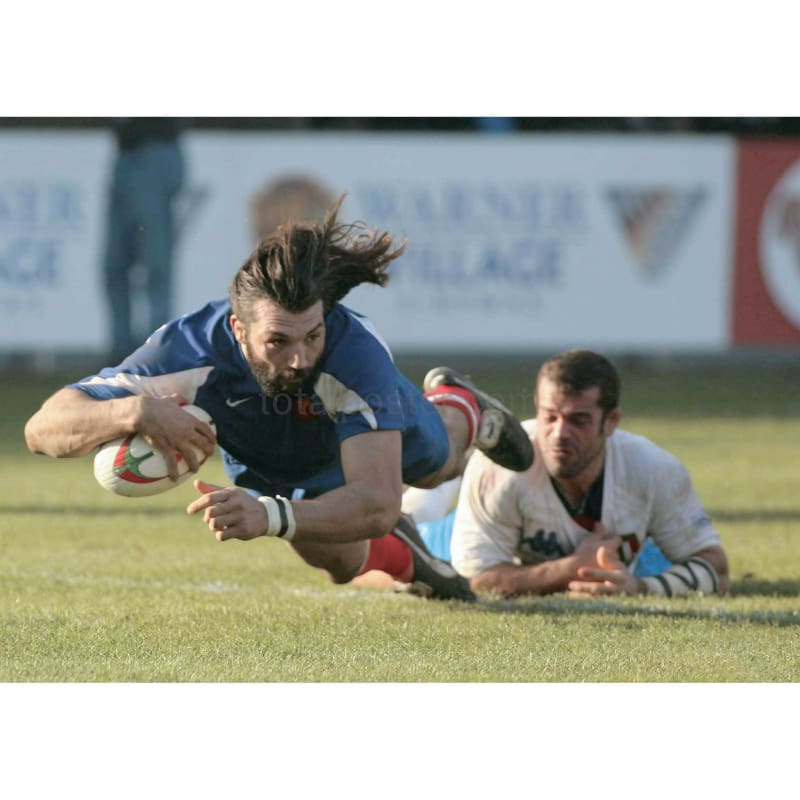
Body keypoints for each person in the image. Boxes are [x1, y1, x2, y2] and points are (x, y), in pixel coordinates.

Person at [24, 198, 533, 603]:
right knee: (334, 562)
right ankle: (411, 561)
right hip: (268, 456)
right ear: (237, 330)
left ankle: (462, 406)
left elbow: (379, 504)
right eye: (278, 342)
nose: (298, 358)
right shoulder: (187, 350)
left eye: (311, 336)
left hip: (355, 437)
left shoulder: (353, 354)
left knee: (436, 467)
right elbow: (41, 429)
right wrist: (134, 410)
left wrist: (267, 516)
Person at [359, 349, 729, 599]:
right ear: (537, 408)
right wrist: (571, 568)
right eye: (550, 416)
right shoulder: (500, 469)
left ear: (611, 421)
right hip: (478, 535)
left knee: (636, 565)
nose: (560, 432)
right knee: (383, 564)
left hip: (612, 551)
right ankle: (433, 484)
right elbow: (477, 581)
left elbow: (715, 567)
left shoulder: (653, 470)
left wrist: (639, 587)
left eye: (579, 420)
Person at [102, 118, 186, 362]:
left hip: (156, 148)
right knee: (113, 267)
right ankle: (121, 356)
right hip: (125, 150)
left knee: (155, 266)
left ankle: (156, 357)